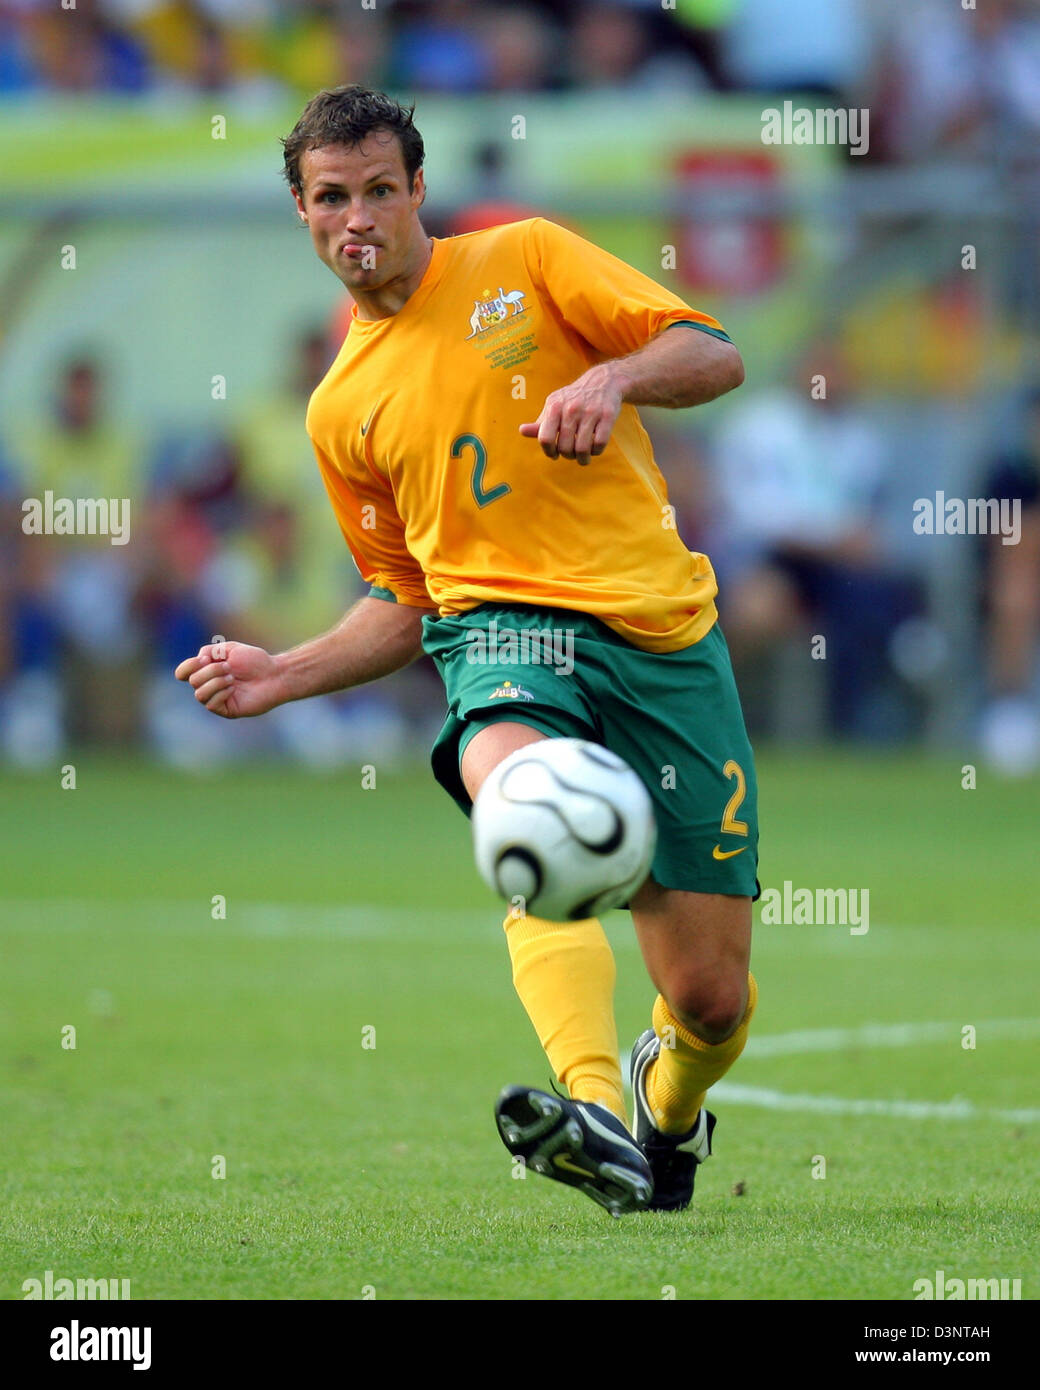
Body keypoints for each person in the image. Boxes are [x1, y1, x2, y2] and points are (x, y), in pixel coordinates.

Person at [175, 85, 758, 1217]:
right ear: (300, 214)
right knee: (525, 804)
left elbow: (712, 353)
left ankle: (660, 1098)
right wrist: (282, 673)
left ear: (417, 192)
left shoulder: (528, 260)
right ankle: (589, 1106)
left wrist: (611, 373)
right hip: (501, 638)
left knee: (711, 999)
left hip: (663, 638)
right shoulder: (340, 408)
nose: (357, 219)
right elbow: (406, 598)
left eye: (378, 191)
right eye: (329, 198)